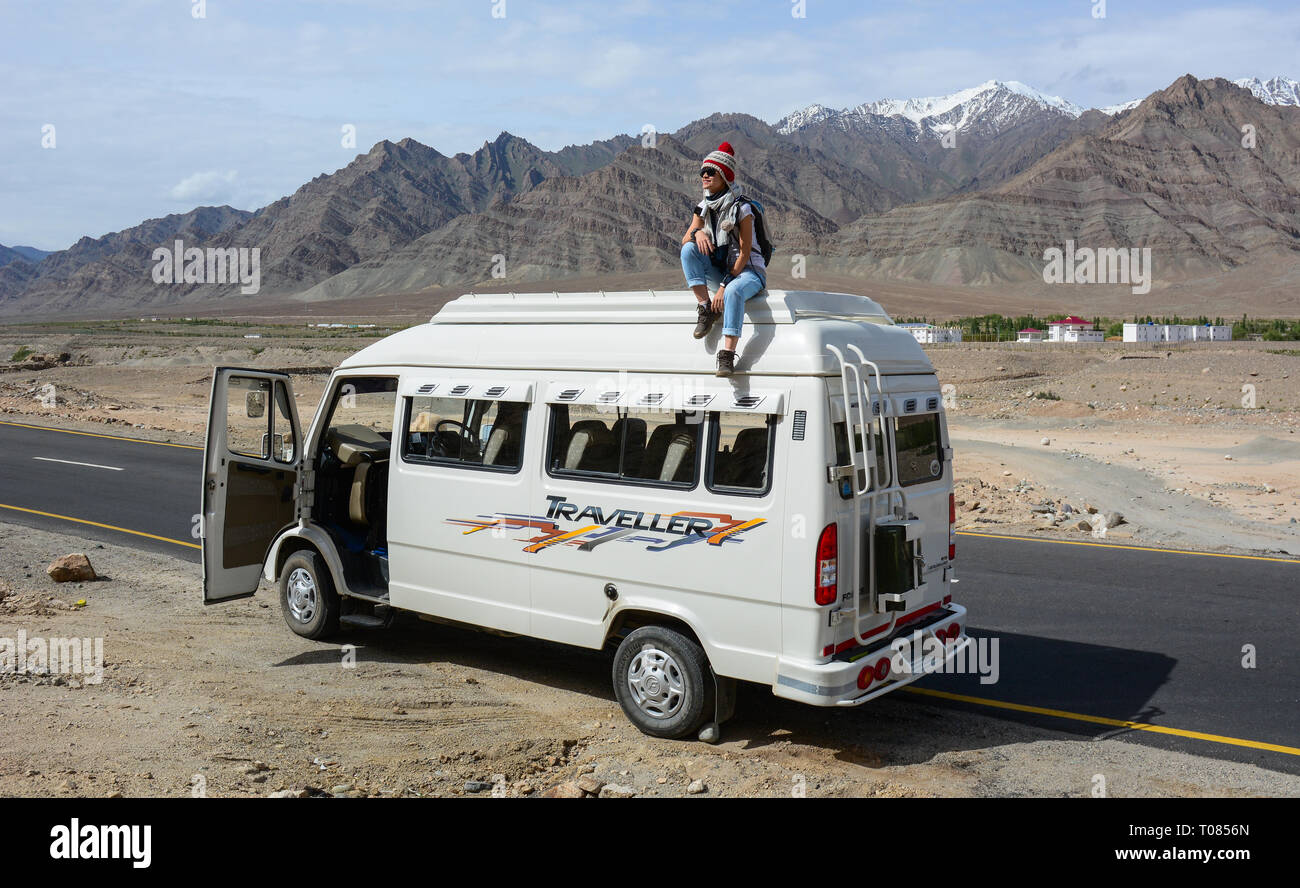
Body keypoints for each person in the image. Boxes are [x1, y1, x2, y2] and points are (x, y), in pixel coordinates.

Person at [679, 142, 767, 377]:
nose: (705, 176)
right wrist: (697, 233)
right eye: (702, 172)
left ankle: (727, 354)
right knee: (688, 250)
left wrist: (724, 285)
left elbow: (745, 251)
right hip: (723, 269)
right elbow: (685, 239)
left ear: (725, 176)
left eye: (711, 172)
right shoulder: (703, 207)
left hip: (747, 271)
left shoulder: (741, 208)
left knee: (733, 292)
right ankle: (705, 308)